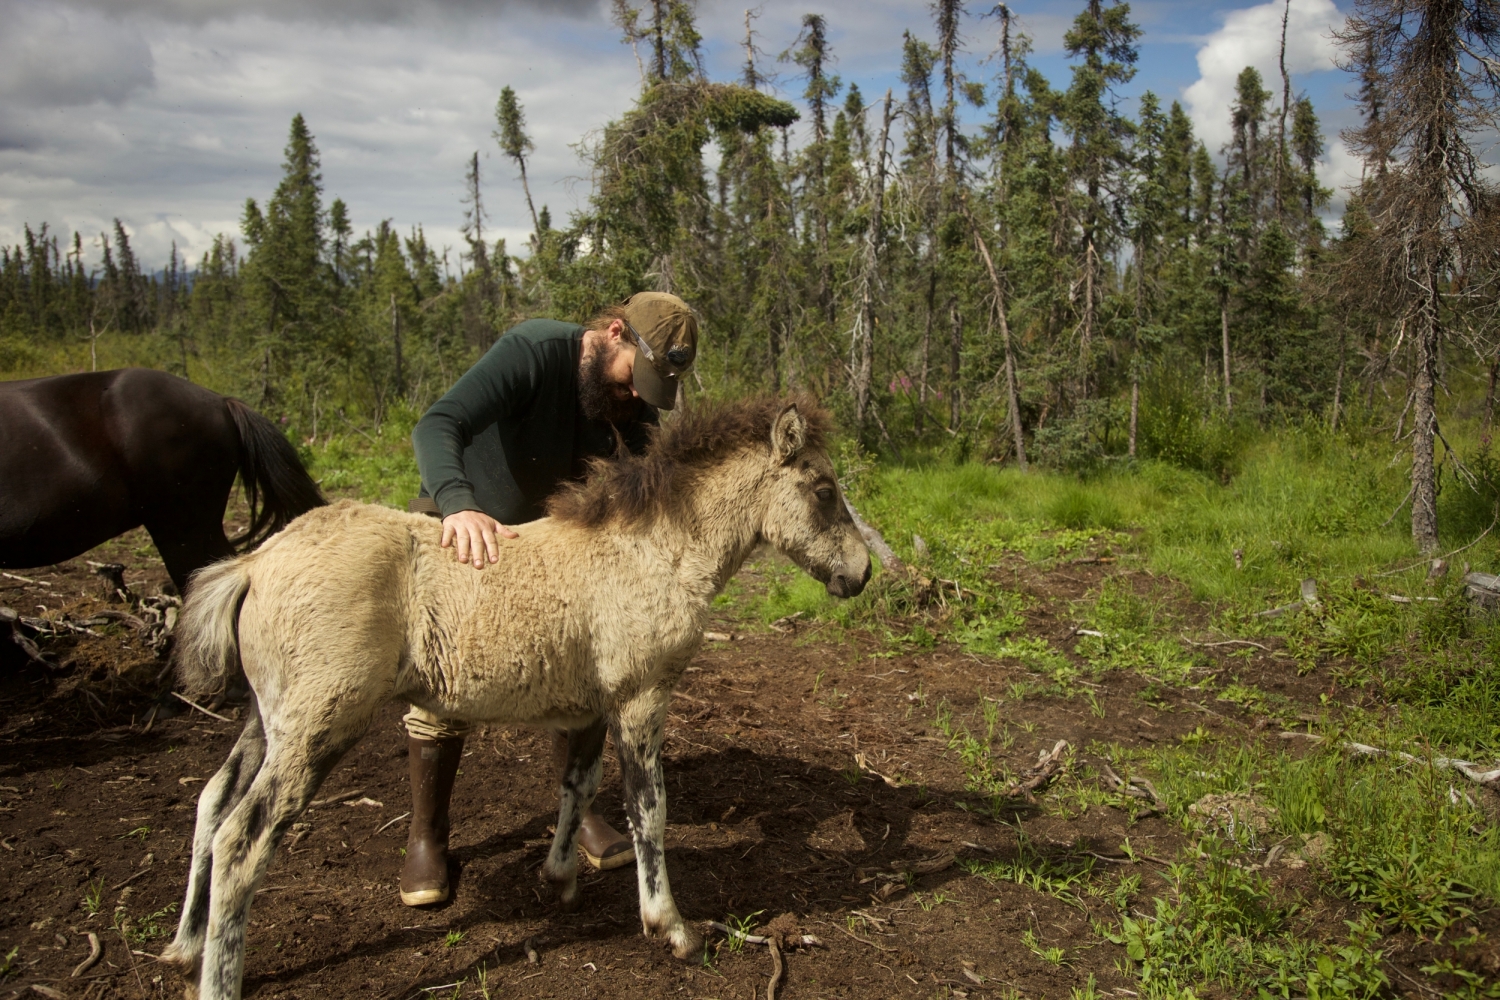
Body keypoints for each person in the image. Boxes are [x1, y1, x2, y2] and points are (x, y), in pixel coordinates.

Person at [399, 291, 699, 907]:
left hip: (557, 552)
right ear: (613, 334)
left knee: (585, 671)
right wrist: (458, 505)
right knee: (447, 674)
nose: (637, 396)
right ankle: (427, 834)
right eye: (632, 378)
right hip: (472, 529)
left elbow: (645, 493)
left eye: (650, 389)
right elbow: (437, 423)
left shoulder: (634, 406)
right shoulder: (532, 352)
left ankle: (578, 812)